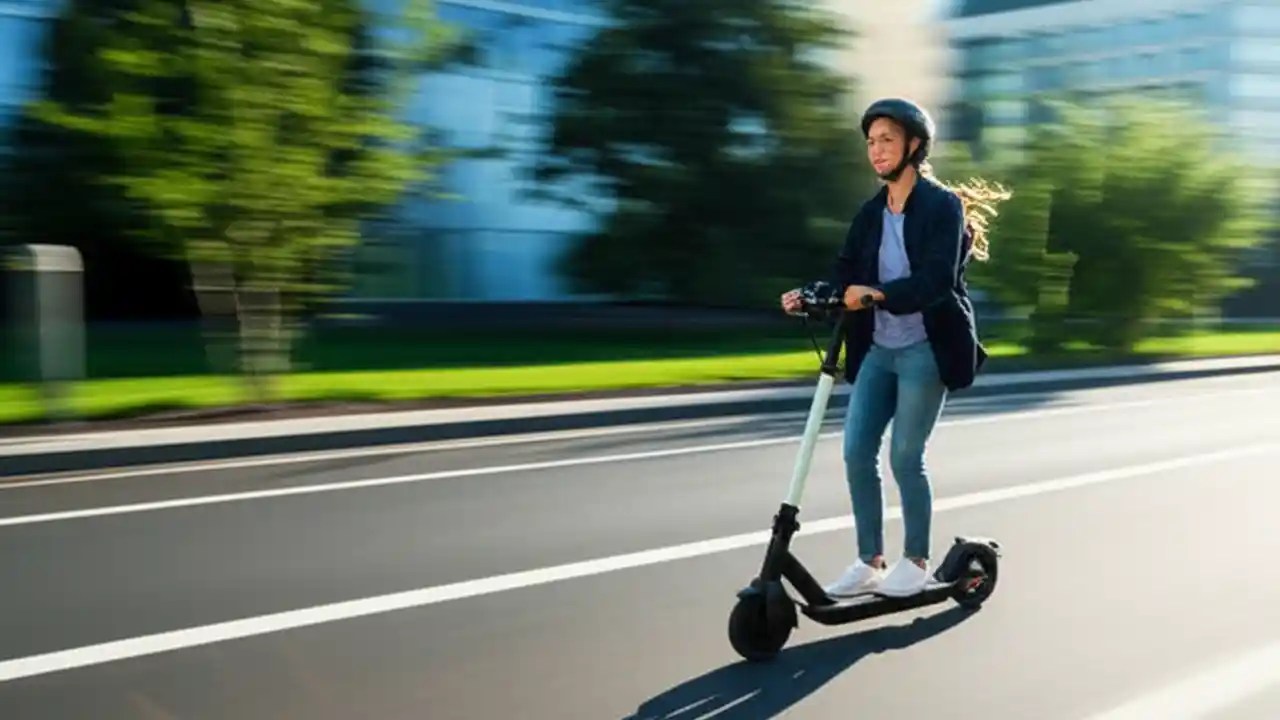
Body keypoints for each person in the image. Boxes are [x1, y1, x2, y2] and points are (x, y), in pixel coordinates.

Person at [781, 98, 1011, 598]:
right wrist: (813, 294)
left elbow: (936, 280)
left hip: (927, 348)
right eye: (870, 141)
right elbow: (847, 275)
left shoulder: (942, 206)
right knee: (856, 452)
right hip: (878, 350)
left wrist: (880, 294)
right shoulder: (869, 214)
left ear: (914, 146)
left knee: (906, 456)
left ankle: (916, 560)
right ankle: (870, 560)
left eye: (886, 139)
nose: (877, 150)